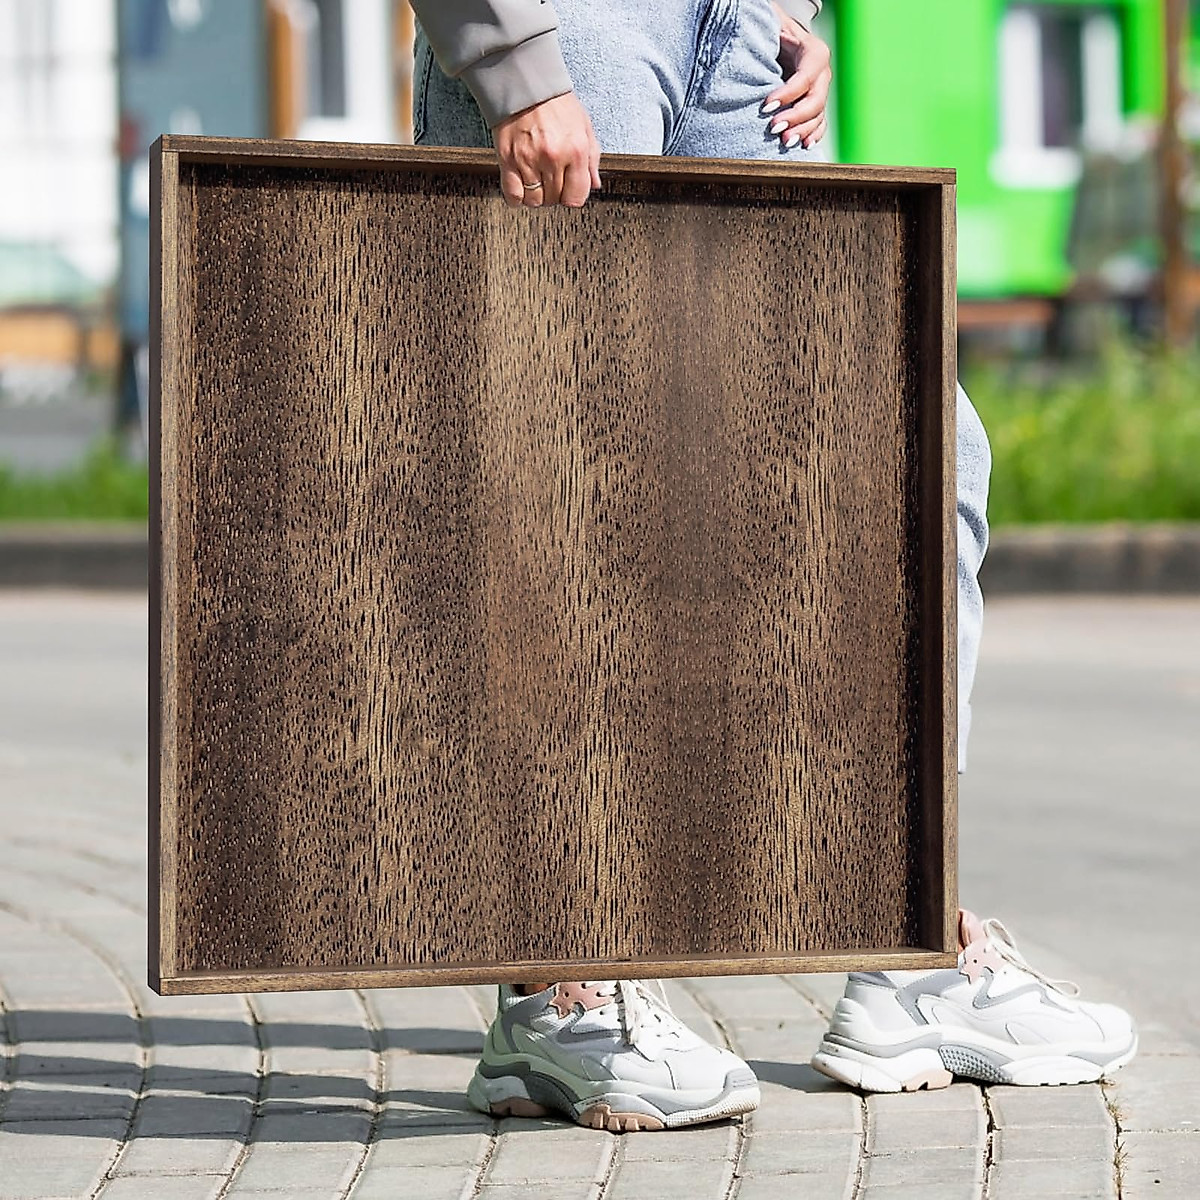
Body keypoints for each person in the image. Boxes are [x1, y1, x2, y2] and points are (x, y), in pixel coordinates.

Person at [408, 0, 1138, 1131]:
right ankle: (559, 987)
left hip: (737, 43)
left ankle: (901, 938)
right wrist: (510, 57)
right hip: (575, 34)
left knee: (911, 458)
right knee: (573, 478)